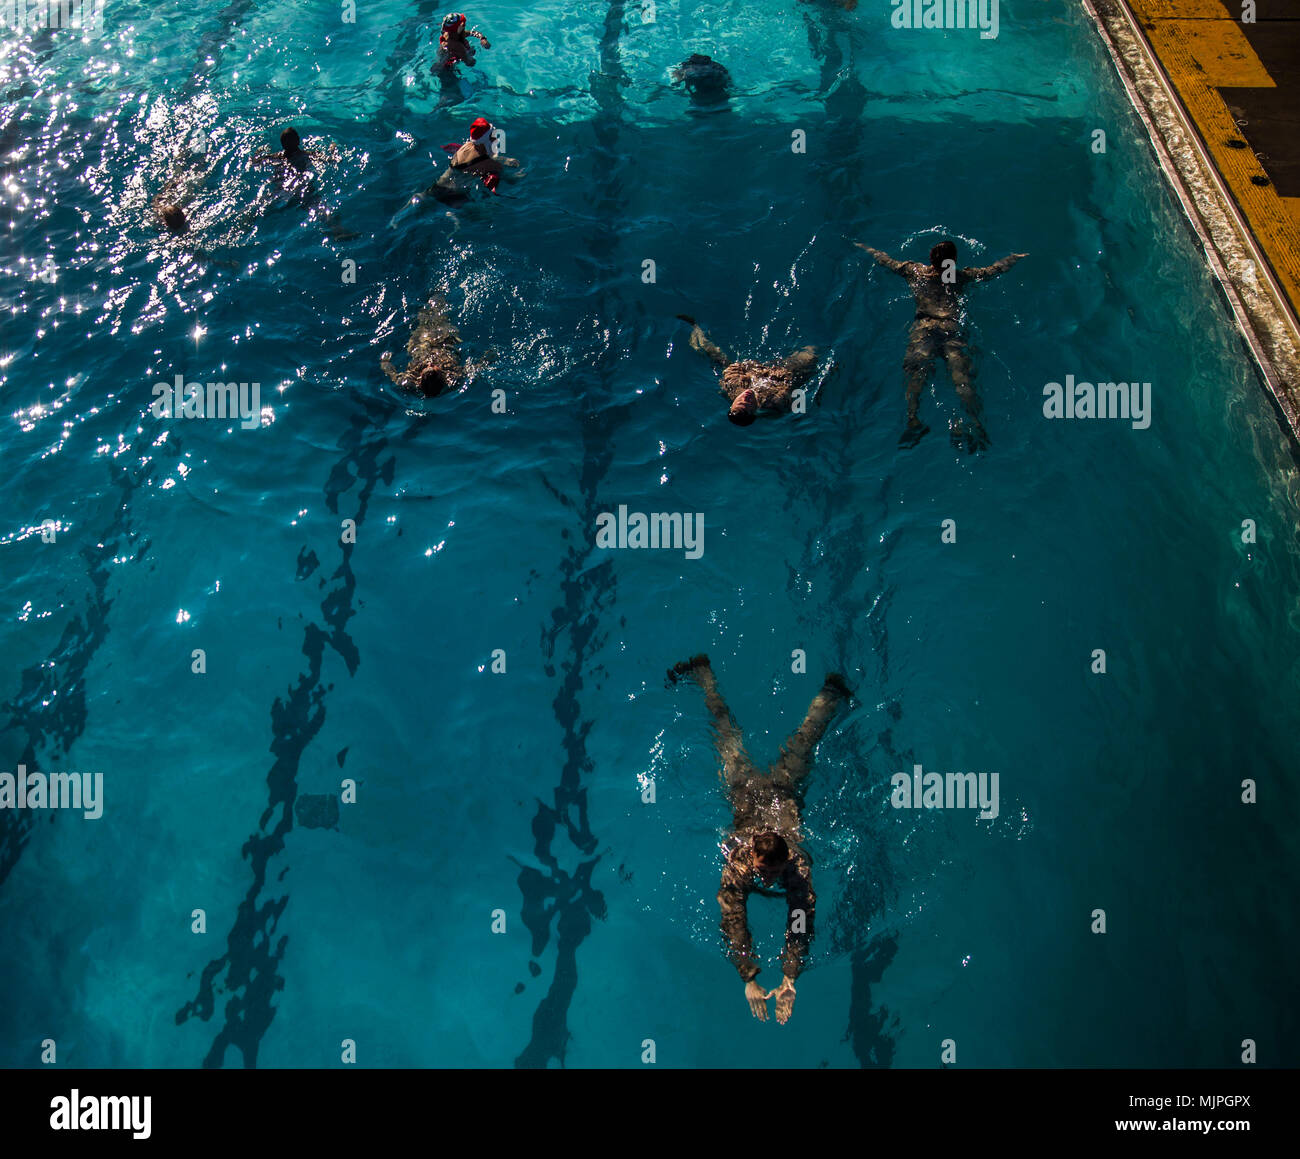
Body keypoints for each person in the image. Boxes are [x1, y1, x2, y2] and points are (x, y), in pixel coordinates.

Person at [668, 654, 851, 1024]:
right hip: (746, 792)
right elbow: (732, 916)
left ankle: (832, 692)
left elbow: (800, 919)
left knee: (806, 739)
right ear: (752, 855)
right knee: (723, 733)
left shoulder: (797, 870)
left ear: (787, 861)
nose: (766, 880)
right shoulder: (740, 864)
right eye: (762, 873)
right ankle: (704, 674)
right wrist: (748, 975)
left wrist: (789, 976)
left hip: (782, 790)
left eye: (771, 874)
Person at [856, 239, 1027, 451]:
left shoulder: (914, 271)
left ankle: (913, 419)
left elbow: (886, 261)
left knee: (916, 373)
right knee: (961, 379)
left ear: (930, 259)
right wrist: (1015, 258)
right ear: (953, 260)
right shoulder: (959, 276)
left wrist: (867, 247)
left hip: (924, 329)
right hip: (951, 329)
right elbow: (992, 271)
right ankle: (976, 424)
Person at [677, 315, 817, 426]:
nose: (746, 397)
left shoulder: (733, 389)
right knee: (812, 352)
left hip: (759, 370)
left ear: (733, 403)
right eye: (749, 405)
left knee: (710, 353)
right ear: (754, 411)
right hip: (787, 372)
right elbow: (796, 400)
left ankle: (695, 328)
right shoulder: (774, 404)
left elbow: (731, 368)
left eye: (740, 401)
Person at [251, 126, 355, 239]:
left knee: (258, 207)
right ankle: (338, 232)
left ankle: (246, 224)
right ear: (298, 141)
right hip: (303, 192)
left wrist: (258, 151)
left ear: (282, 144)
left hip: (282, 193)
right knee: (322, 209)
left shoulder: (275, 157)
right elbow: (334, 160)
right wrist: (333, 148)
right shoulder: (308, 155)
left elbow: (254, 162)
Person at [381, 295, 480, 397]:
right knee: (441, 317)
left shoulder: (408, 382)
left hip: (421, 347)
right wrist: (487, 358)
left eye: (428, 367)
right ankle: (438, 295)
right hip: (445, 344)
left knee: (424, 323)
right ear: (443, 378)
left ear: (419, 381)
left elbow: (392, 374)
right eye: (433, 367)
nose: (430, 364)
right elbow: (474, 369)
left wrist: (385, 361)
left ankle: (427, 300)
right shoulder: (454, 378)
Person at [429, 116, 520, 205]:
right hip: (455, 195)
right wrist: (521, 174)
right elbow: (511, 179)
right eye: (492, 136)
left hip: (435, 188)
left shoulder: (467, 146)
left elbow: (480, 160)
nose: (495, 139)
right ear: (485, 141)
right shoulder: (488, 163)